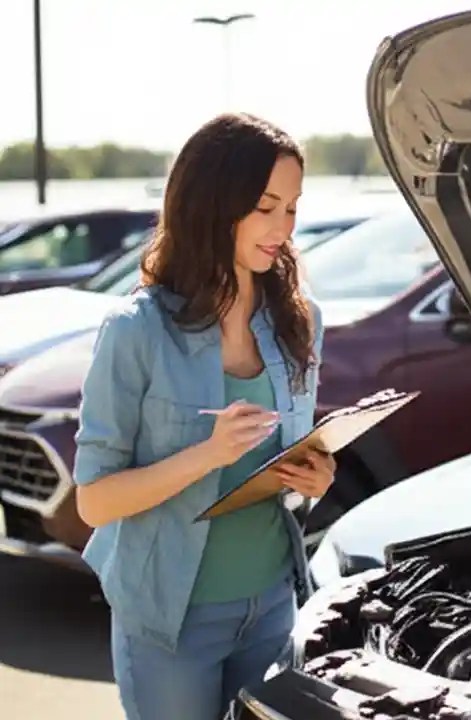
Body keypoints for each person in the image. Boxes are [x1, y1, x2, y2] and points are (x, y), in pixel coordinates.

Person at [73, 113, 334, 720]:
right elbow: (94, 502)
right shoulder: (135, 330)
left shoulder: (301, 320)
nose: (283, 227)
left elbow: (289, 466)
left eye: (292, 207)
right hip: (170, 619)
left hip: (273, 604)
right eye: (265, 206)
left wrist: (314, 481)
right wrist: (206, 454)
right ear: (214, 203)